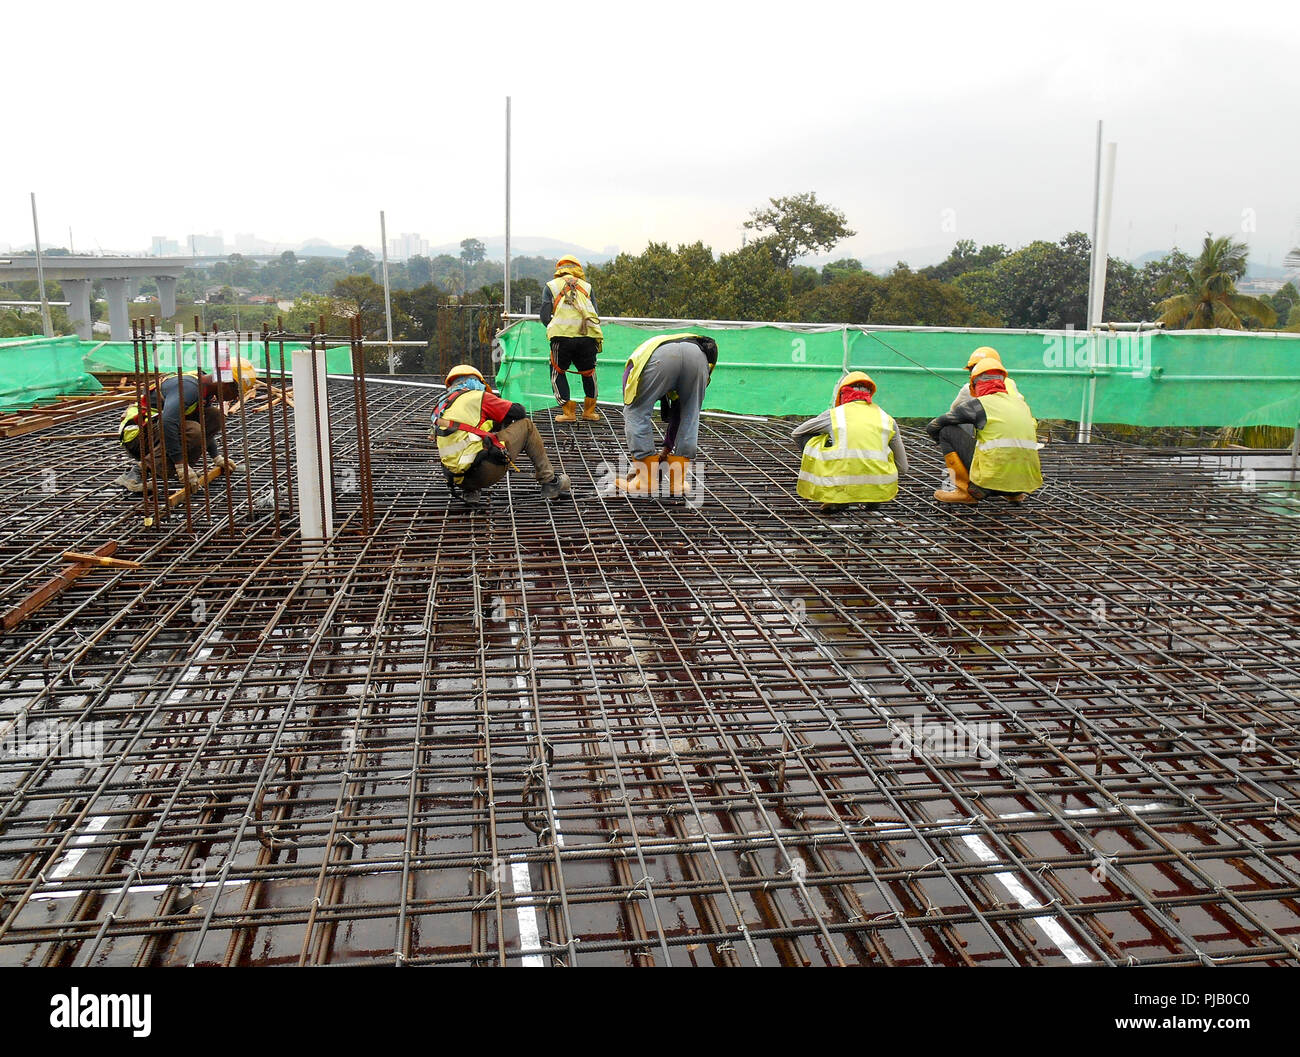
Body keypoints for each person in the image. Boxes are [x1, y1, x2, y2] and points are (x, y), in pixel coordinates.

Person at [431, 363, 571, 506]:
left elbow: (469, 432)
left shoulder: (441, 406)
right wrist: (499, 405)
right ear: (475, 381)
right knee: (527, 425)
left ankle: (470, 492)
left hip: (455, 478)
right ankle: (550, 482)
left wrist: (495, 422)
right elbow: (519, 412)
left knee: (472, 441)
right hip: (483, 472)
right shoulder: (477, 396)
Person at [926, 357, 1043, 505]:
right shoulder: (1022, 405)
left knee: (946, 432)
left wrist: (947, 446)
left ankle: (964, 491)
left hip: (990, 480)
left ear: (975, 384)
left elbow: (933, 427)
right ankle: (1014, 494)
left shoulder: (978, 405)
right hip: (1025, 482)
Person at [614, 333, 718, 497]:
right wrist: (666, 451)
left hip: (661, 358)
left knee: (636, 411)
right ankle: (677, 483)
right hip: (697, 358)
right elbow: (681, 417)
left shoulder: (636, 364)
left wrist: (645, 461)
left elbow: (634, 413)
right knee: (690, 415)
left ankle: (645, 481)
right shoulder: (700, 352)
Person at [792, 371, 908, 513]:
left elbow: (797, 434)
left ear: (842, 394)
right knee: (882, 446)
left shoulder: (834, 415)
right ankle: (872, 496)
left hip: (839, 485)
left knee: (813, 439)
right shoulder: (887, 418)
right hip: (882, 489)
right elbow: (903, 467)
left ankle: (836, 497)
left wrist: (817, 458)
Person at [134, 358, 255, 493]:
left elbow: (205, 424)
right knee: (193, 430)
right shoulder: (190, 388)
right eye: (237, 392)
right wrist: (181, 465)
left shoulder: (205, 389)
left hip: (154, 434)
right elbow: (167, 423)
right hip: (137, 435)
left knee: (214, 416)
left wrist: (216, 456)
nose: (235, 398)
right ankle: (137, 473)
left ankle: (174, 469)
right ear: (226, 383)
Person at [541, 255, 603, 423]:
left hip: (562, 338)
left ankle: (568, 412)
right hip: (588, 337)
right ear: (578, 269)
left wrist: (553, 327)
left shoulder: (551, 286)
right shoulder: (587, 287)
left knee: (557, 371)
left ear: (559, 269)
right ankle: (589, 411)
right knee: (589, 372)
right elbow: (595, 314)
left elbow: (545, 316)